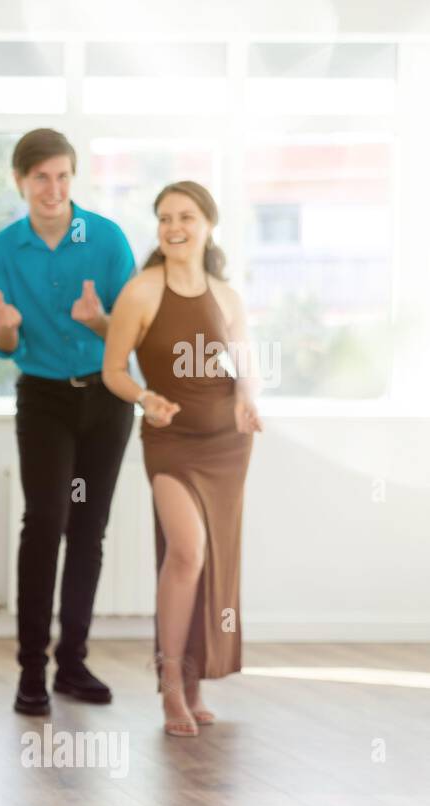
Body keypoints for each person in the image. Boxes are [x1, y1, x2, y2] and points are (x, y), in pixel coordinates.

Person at [0, 129, 136, 718]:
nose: (53, 188)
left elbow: (131, 332)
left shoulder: (106, 239)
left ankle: (72, 661)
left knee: (87, 530)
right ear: (20, 181)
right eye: (41, 177)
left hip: (106, 399)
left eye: (63, 176)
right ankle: (30, 671)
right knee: (44, 521)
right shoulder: (5, 249)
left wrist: (101, 323)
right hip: (43, 399)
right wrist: (7, 331)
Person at [102, 181, 260, 735]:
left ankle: (194, 685)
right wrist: (145, 397)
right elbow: (113, 369)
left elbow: (245, 365)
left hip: (227, 445)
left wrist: (248, 399)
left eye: (186, 217)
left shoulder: (226, 296)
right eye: (165, 217)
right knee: (187, 552)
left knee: (211, 564)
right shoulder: (142, 291)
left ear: (208, 224)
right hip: (170, 442)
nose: (174, 227)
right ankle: (171, 687)